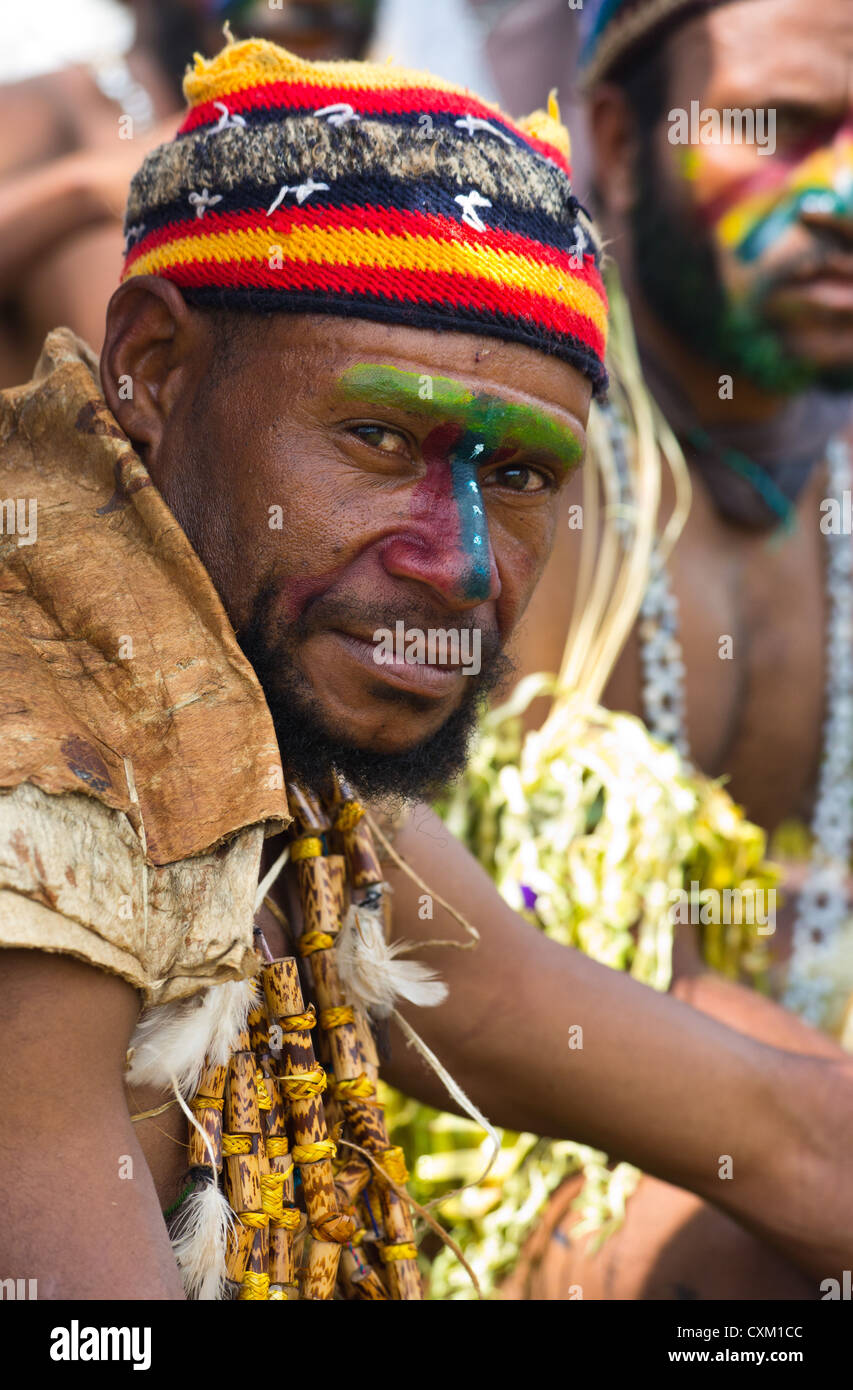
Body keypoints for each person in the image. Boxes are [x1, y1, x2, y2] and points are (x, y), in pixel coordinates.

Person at [1, 35, 852, 1301]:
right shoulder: (49, 796)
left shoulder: (264, 725)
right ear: (152, 369)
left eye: (515, 476)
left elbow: (771, 1126)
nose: (457, 566)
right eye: (378, 435)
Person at [492, 0, 853, 1297]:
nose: (843, 193)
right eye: (780, 128)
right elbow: (510, 960)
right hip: (530, 1177)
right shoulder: (514, 462)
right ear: (619, 137)